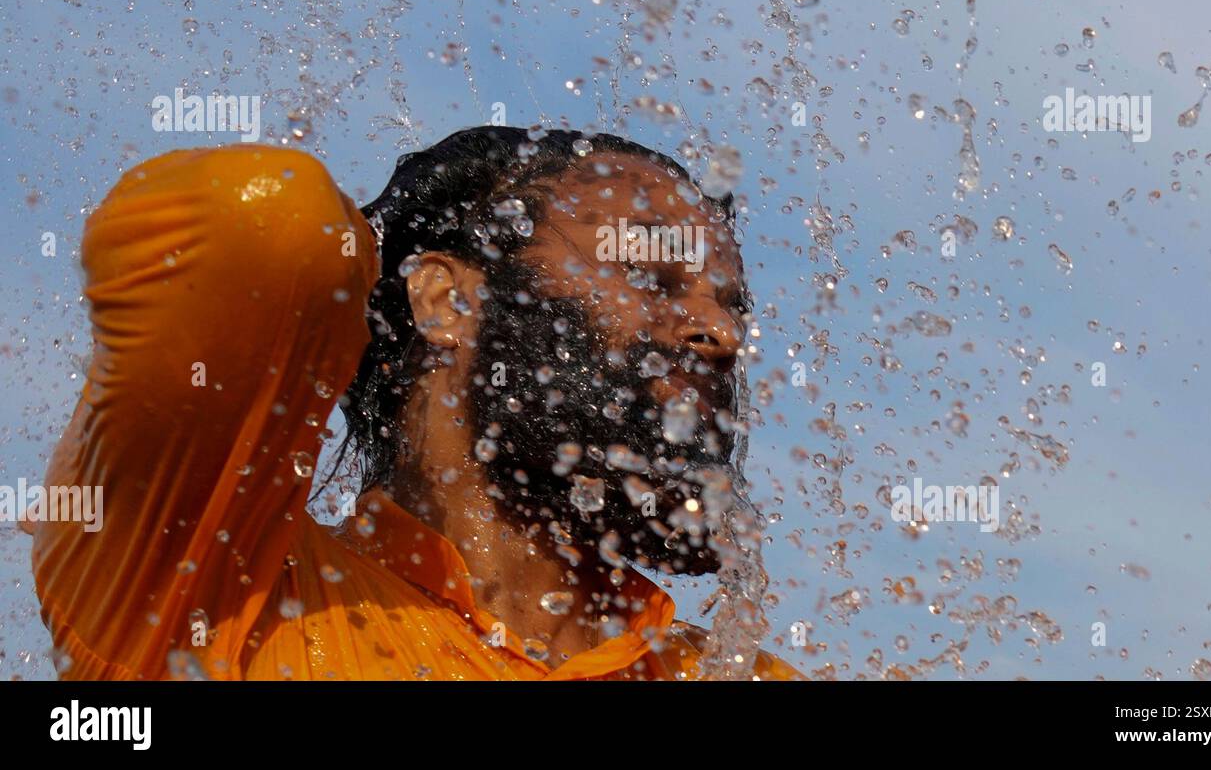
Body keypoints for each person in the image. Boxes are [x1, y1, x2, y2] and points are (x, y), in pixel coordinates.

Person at [31, 125, 798, 680]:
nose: (722, 332)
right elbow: (263, 220)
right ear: (444, 299)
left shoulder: (724, 672)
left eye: (731, 306)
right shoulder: (213, 589)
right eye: (651, 278)